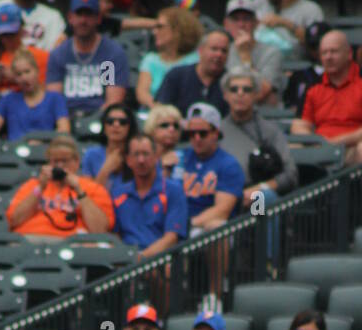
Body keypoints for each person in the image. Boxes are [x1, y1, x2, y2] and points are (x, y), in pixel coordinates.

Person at [290, 30, 362, 169]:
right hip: (320, 147)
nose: (328, 57)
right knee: (291, 148)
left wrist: (339, 142)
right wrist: (318, 142)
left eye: (334, 51)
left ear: (348, 54)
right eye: (324, 53)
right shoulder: (312, 86)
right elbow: (298, 125)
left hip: (354, 147)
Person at [5, 135, 113, 237]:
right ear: (48, 163)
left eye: (65, 161)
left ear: (76, 162)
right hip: (32, 239)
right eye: (55, 161)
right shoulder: (32, 185)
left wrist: (79, 190)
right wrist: (40, 188)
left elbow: (100, 230)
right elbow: (14, 221)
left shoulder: (93, 188)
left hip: (75, 243)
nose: (60, 165)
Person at [220, 69, 297, 209]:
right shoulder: (215, 131)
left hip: (255, 194)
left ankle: (262, 231)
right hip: (222, 196)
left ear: (256, 95)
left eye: (247, 89)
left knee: (263, 197)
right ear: (225, 95)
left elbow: (290, 175)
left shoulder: (270, 130)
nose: (240, 93)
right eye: (234, 89)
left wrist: (260, 188)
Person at [45, 0, 129, 116]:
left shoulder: (110, 54)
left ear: (98, 18)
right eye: (79, 14)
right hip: (66, 119)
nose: (83, 20)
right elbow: (54, 99)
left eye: (89, 15)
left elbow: (112, 101)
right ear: (70, 18)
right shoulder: (59, 54)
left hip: (100, 118)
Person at [107, 135, 189, 259]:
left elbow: (172, 237)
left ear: (156, 157)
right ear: (128, 160)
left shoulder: (173, 190)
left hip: (162, 258)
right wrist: (126, 257)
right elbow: (114, 235)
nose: (141, 160)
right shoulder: (117, 193)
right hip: (126, 260)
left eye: (146, 154)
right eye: (136, 154)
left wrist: (141, 258)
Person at [178, 103, 245, 234]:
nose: (197, 138)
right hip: (176, 223)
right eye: (192, 133)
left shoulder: (228, 164)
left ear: (216, 133)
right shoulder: (180, 157)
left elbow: (222, 211)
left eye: (203, 133)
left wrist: (188, 224)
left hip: (203, 226)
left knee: (215, 227)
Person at [0, 46, 69, 141]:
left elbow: (64, 130)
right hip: (15, 151)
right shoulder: (8, 100)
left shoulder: (55, 98)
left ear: (37, 71)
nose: (24, 78)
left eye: (27, 71)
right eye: (19, 74)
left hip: (45, 150)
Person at [0, 5, 49, 105]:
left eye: (11, 33)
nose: (7, 38)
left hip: (28, 107)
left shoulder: (40, 56)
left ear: (21, 29)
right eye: (3, 34)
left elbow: (48, 94)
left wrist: (17, 78)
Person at [135, 7, 201, 108]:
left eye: (160, 27)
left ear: (178, 30)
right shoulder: (150, 59)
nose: (154, 32)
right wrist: (160, 110)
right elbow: (142, 93)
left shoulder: (195, 60)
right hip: (153, 115)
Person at [155, 29, 229, 119]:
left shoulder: (230, 81)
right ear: (200, 50)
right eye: (214, 49)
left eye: (224, 51)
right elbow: (160, 110)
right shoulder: (177, 76)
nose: (219, 54)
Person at [222, 0, 283, 106]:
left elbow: (261, 93)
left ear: (256, 23)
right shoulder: (222, 50)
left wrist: (245, 56)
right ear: (226, 24)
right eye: (235, 19)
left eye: (246, 19)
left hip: (262, 115)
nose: (241, 24)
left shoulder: (272, 52)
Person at [79, 104, 138, 186]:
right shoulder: (91, 155)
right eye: (110, 121)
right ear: (104, 126)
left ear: (130, 127)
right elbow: (88, 194)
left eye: (123, 122)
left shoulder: (138, 154)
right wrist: (106, 169)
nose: (116, 125)